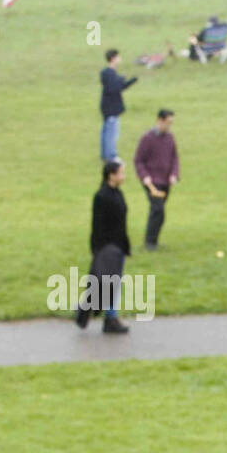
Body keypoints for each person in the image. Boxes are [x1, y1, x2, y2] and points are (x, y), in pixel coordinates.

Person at [78, 160, 133, 334]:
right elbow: (97, 225)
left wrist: (125, 245)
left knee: (112, 284)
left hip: (118, 247)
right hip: (108, 248)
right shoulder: (102, 196)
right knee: (108, 284)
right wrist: (98, 249)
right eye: (121, 173)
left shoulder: (118, 193)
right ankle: (109, 318)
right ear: (111, 175)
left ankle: (108, 316)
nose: (123, 177)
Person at [133, 109, 179, 251]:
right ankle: (149, 243)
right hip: (152, 182)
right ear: (159, 120)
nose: (169, 126)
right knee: (158, 210)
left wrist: (174, 174)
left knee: (159, 211)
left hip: (165, 181)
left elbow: (174, 158)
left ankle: (153, 241)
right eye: (168, 122)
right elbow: (138, 160)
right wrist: (144, 176)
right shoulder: (147, 138)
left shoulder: (170, 138)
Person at [100, 49, 138, 163]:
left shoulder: (110, 73)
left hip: (109, 106)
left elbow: (119, 87)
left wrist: (131, 81)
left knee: (107, 130)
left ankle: (105, 155)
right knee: (111, 132)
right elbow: (113, 88)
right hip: (111, 107)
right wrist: (121, 79)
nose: (119, 59)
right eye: (118, 57)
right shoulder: (108, 73)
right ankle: (111, 156)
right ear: (113, 58)